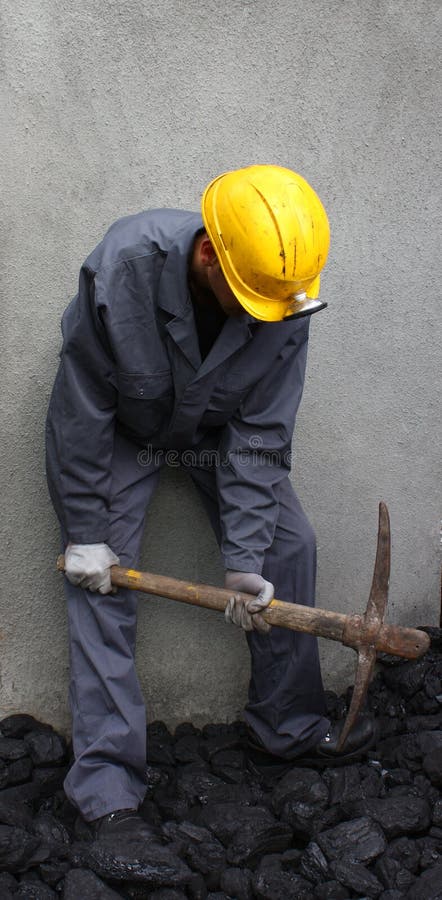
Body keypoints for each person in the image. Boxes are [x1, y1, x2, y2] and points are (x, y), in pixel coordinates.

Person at [45, 164, 374, 840]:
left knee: (290, 547)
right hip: (125, 430)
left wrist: (246, 557)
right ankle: (107, 783)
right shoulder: (122, 269)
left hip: (219, 433)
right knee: (101, 579)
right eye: (250, 305)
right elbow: (80, 411)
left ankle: (286, 727)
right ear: (206, 257)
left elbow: (262, 433)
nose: (264, 321)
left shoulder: (283, 294)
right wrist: (84, 530)